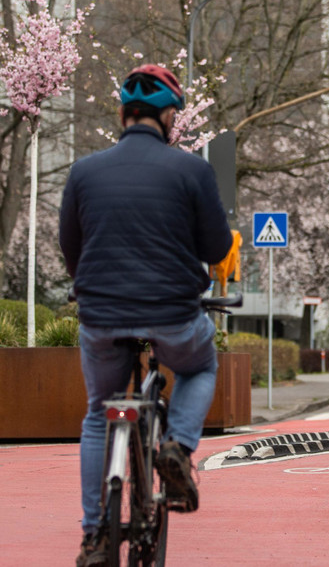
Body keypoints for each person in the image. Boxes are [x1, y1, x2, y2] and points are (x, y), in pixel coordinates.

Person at [59, 63, 232, 567]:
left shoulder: (84, 171)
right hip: (173, 316)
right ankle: (177, 445)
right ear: (170, 117)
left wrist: (93, 286)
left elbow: (71, 247)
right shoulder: (192, 171)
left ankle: (94, 536)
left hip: (101, 315)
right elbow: (218, 246)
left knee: (98, 413)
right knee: (200, 366)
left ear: (122, 113)